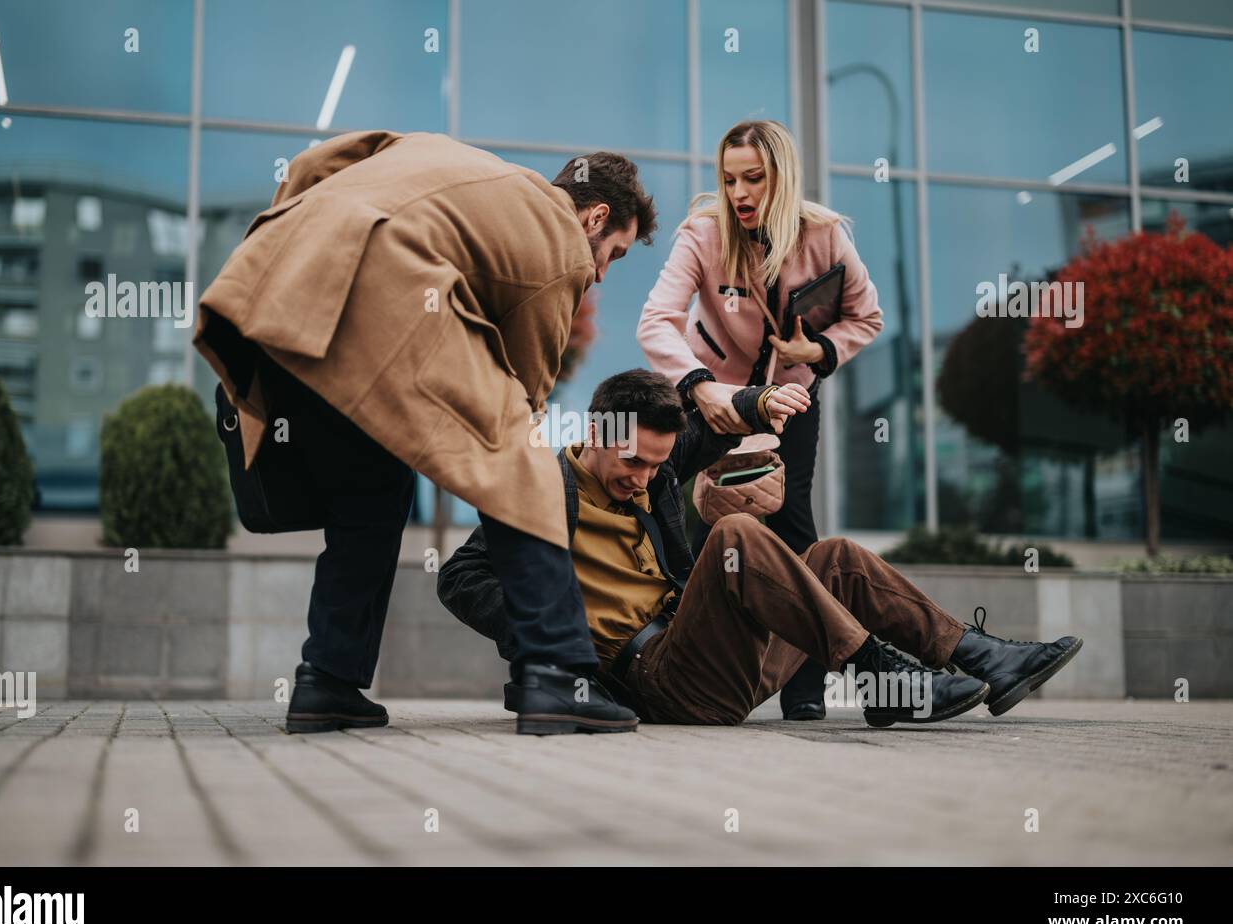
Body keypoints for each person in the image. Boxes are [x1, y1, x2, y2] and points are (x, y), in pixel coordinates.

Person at [194, 130, 657, 735]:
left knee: (374, 487)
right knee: (523, 461)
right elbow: (526, 393)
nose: (599, 273)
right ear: (595, 217)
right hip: (388, 293)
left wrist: (306, 241)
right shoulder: (560, 239)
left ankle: (327, 682)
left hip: (279, 285)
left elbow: (313, 162)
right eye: (613, 253)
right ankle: (555, 675)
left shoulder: (446, 157)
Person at [438, 370, 1082, 730]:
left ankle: (984, 658)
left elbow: (718, 423)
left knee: (837, 557)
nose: (644, 477)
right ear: (597, 432)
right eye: (632, 460)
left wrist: (764, 400)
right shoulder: (541, 487)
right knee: (736, 535)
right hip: (656, 680)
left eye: (658, 464)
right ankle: (877, 673)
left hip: (712, 653)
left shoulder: (655, 474)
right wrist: (547, 632)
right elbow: (458, 578)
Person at [638, 119, 883, 721]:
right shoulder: (702, 234)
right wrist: (698, 386)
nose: (740, 194)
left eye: (754, 178)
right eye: (729, 180)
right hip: (712, 399)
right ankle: (700, 662)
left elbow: (866, 318)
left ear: (783, 177)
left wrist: (816, 353)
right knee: (710, 521)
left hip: (790, 397)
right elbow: (655, 320)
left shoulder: (825, 237)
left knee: (792, 523)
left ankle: (804, 687)